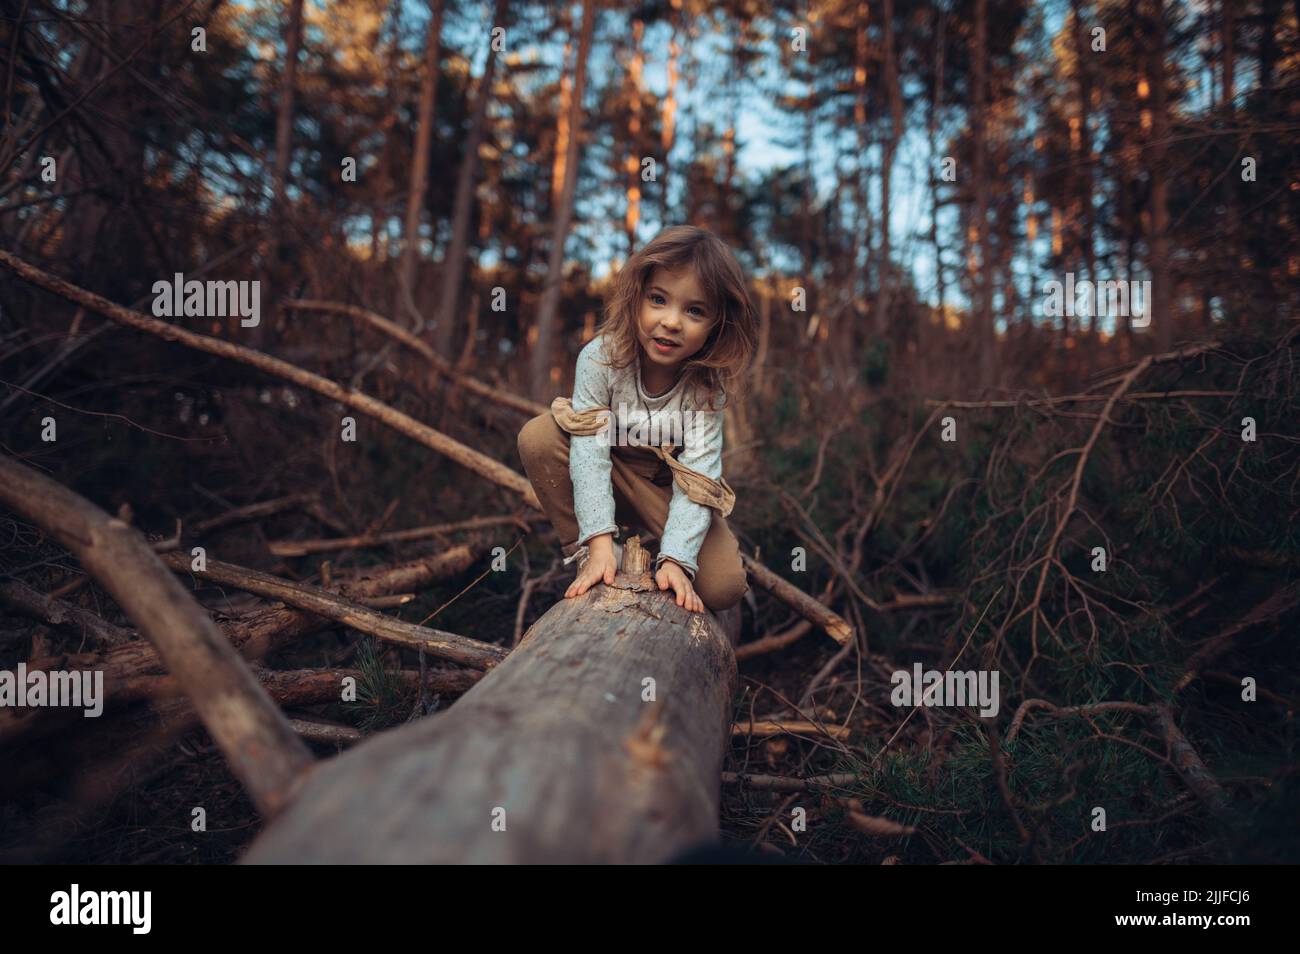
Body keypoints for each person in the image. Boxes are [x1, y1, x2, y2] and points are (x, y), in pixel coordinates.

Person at [517, 225, 758, 612]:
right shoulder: (601, 358)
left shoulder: (706, 390)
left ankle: (657, 548)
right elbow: (589, 453)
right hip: (609, 473)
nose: (672, 321)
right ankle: (593, 551)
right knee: (540, 436)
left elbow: (698, 481)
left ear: (718, 324)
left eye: (695, 310)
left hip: (666, 491)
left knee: (724, 587)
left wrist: (678, 558)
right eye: (658, 300)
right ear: (636, 298)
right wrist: (597, 542)